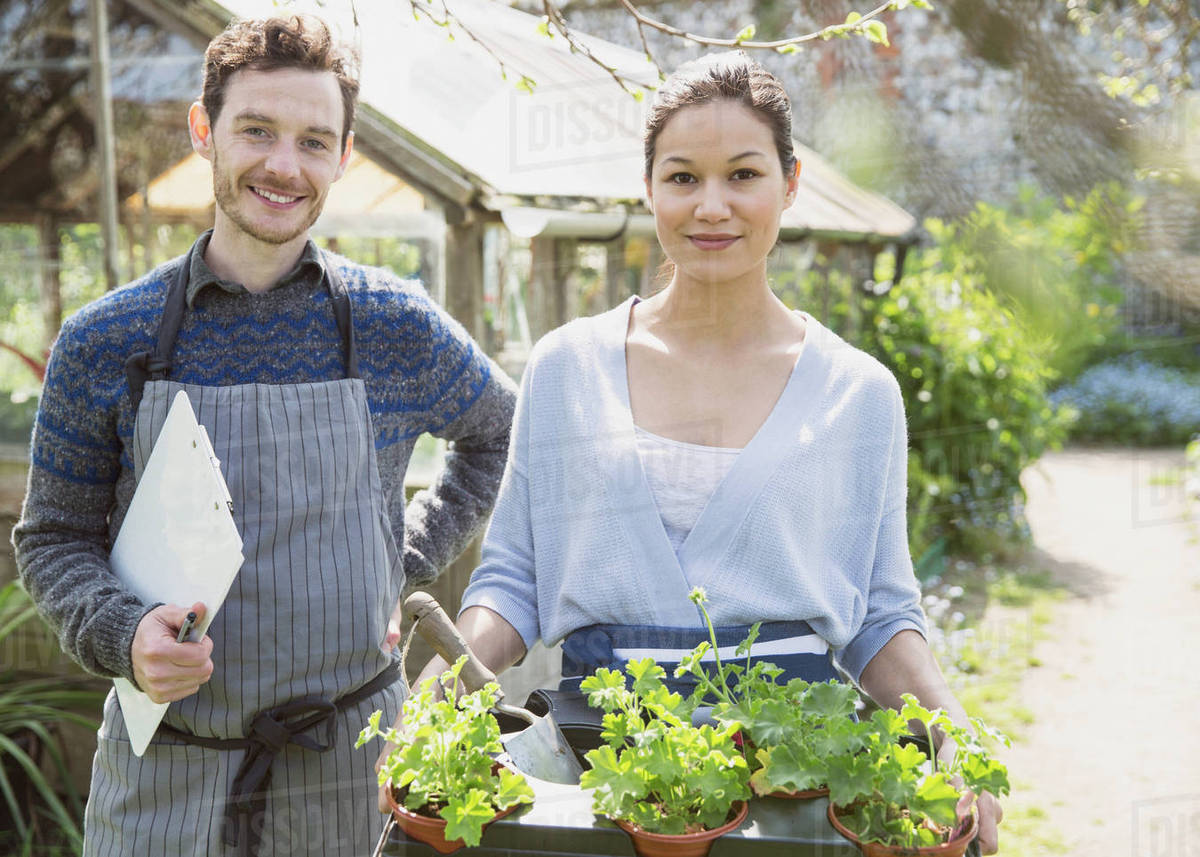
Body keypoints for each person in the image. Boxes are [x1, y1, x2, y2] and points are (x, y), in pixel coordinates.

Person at [389, 52, 1003, 853]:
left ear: (790, 182)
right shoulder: (568, 367)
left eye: (742, 175)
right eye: (682, 178)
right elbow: (514, 577)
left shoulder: (858, 392)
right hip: (593, 768)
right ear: (648, 188)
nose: (711, 206)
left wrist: (953, 734)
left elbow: (880, 612)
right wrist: (444, 686)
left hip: (794, 780)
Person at [12, 14, 516, 857]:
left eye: (314, 140)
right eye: (257, 130)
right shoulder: (107, 340)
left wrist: (404, 557)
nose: (284, 165)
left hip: (357, 772)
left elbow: (500, 432)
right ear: (203, 130)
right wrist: (120, 632)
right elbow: (53, 537)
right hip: (167, 778)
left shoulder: (393, 324)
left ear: (343, 157)